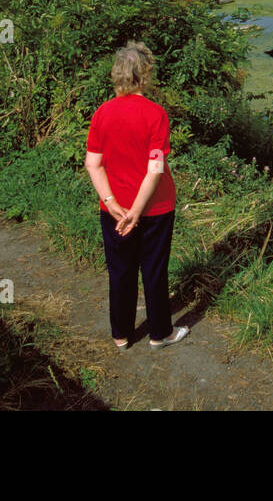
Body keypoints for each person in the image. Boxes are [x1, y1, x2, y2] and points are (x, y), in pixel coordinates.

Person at [84, 41, 189, 350]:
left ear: (117, 75)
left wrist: (115, 205)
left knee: (120, 270)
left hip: (114, 210)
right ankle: (160, 334)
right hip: (155, 209)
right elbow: (155, 169)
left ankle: (121, 334)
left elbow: (93, 164)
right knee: (154, 270)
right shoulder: (156, 114)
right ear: (145, 74)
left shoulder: (102, 113)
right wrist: (138, 212)